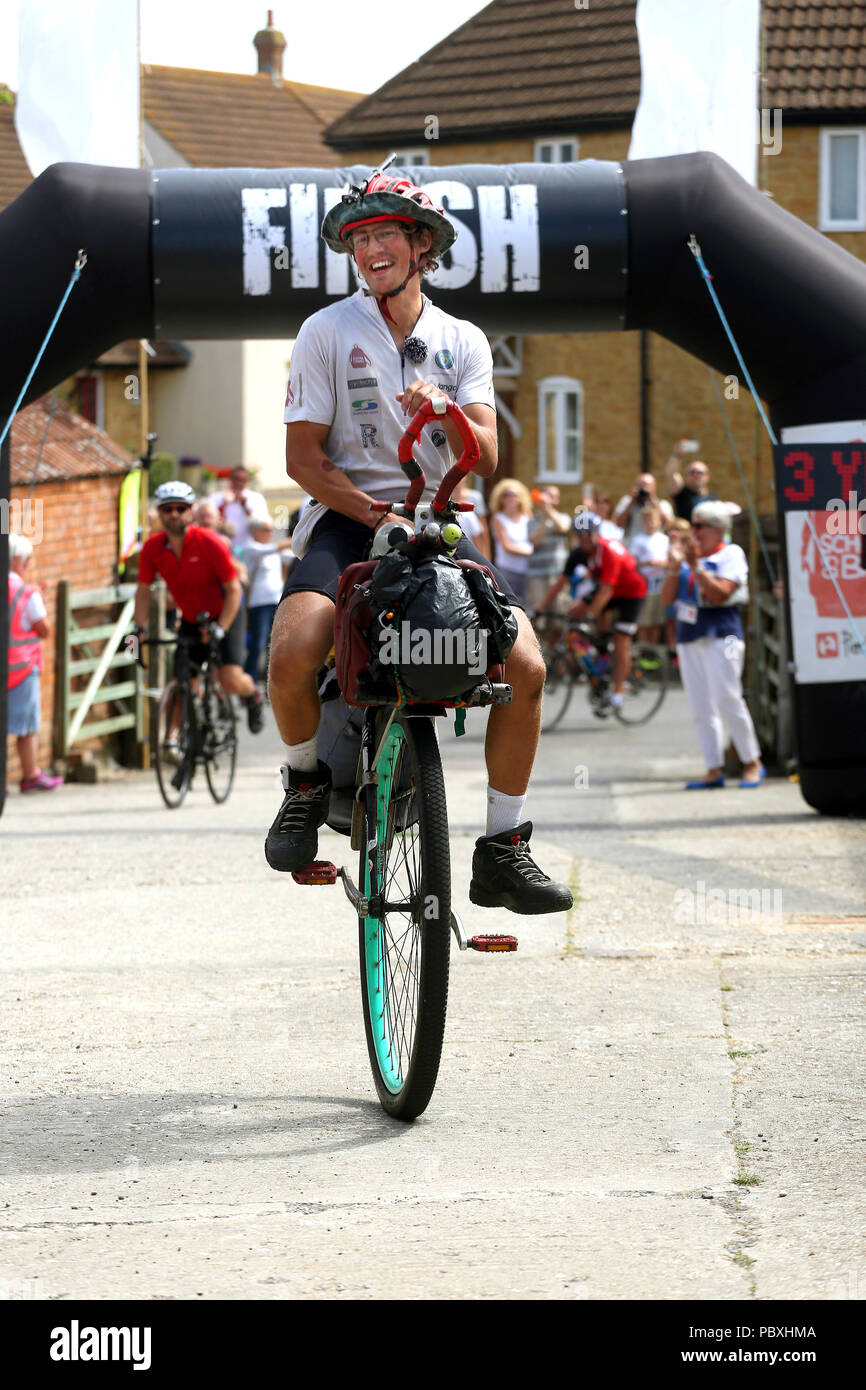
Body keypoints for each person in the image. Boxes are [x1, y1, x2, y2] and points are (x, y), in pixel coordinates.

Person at [265, 162, 572, 914]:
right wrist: (373, 516)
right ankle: (306, 783)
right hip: (350, 513)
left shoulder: (462, 339)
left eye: (386, 234)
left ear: (421, 245)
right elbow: (302, 458)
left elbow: (491, 456)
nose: (371, 247)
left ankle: (503, 846)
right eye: (359, 236)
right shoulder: (325, 332)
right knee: (294, 646)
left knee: (525, 664)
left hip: (436, 517)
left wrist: (447, 413)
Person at [133, 481, 265, 733]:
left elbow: (234, 589)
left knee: (229, 679)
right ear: (159, 512)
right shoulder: (152, 548)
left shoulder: (209, 542)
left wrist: (221, 628)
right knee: (181, 686)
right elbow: (142, 591)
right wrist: (137, 630)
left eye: (180, 508)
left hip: (226, 613)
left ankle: (253, 694)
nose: (174, 514)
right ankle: (181, 750)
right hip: (192, 620)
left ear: (190, 512)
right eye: (167, 508)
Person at [660, 500, 763, 788]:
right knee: (700, 706)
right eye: (693, 525)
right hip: (690, 636)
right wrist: (674, 566)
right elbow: (667, 599)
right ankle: (713, 768)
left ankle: (752, 761)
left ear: (718, 530)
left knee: (728, 698)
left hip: (723, 634)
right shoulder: (686, 556)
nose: (694, 531)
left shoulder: (731, 554)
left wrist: (695, 566)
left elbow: (720, 594)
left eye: (700, 526)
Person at [540, 511, 647, 712]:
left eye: (588, 534)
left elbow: (605, 591)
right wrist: (540, 609)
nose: (585, 539)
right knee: (572, 612)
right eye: (580, 535)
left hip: (631, 594)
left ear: (597, 533)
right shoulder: (580, 552)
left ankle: (617, 694)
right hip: (610, 590)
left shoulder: (609, 551)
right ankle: (598, 655)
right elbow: (559, 584)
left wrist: (590, 616)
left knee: (621, 640)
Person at [7, 532, 62, 791]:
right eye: (27, 560)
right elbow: (45, 629)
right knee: (27, 727)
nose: (28, 565)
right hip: (21, 668)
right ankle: (30, 775)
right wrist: (41, 599)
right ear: (17, 560)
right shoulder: (28, 593)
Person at [242, 513, 294, 683]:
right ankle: (249, 680)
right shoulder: (251, 548)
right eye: (267, 529)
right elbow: (273, 549)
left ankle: (269, 682)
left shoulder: (272, 549)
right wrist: (295, 537)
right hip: (259, 604)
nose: (271, 532)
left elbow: (293, 556)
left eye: (272, 529)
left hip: (276, 602)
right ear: (255, 531)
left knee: (273, 644)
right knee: (257, 644)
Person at [526, 485, 572, 612]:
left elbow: (563, 528)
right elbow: (534, 541)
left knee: (559, 615)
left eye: (552, 496)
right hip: (537, 575)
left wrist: (548, 512)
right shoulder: (532, 521)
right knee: (537, 615)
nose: (547, 499)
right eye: (546, 495)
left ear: (557, 500)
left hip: (558, 575)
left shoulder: (563, 517)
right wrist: (544, 520)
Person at [629, 503, 670, 643]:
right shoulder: (638, 540)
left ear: (659, 521)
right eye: (647, 520)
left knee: (656, 621)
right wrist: (646, 563)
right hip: (644, 584)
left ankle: (653, 650)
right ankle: (643, 648)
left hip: (660, 584)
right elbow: (631, 563)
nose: (650, 523)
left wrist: (662, 564)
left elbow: (670, 562)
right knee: (643, 620)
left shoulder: (665, 539)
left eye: (653, 519)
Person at [489, 479, 534, 604]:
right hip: (508, 570)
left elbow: (534, 538)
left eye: (514, 494)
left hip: (528, 570)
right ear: (500, 498)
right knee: (511, 605)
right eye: (506, 495)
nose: (510, 498)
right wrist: (531, 552)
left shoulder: (527, 516)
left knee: (528, 605)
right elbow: (507, 546)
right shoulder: (498, 518)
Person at [209, 465, 268, 548]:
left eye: (243, 480)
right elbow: (207, 520)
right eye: (236, 479)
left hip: (248, 547)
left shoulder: (256, 498)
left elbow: (262, 524)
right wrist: (224, 503)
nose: (239, 483)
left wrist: (245, 506)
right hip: (223, 546)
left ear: (247, 482)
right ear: (230, 480)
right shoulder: (217, 497)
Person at [614, 472, 674, 544]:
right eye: (641, 486)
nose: (644, 489)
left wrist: (655, 504)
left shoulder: (663, 504)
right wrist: (631, 502)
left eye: (647, 486)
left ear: (654, 488)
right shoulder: (627, 501)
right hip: (631, 546)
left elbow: (670, 525)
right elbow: (618, 524)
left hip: (654, 547)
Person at [665, 440, 718, 521]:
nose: (695, 475)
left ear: (707, 476)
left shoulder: (713, 499)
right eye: (692, 472)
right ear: (686, 476)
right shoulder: (681, 493)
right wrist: (677, 454)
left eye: (699, 472)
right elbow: (671, 474)